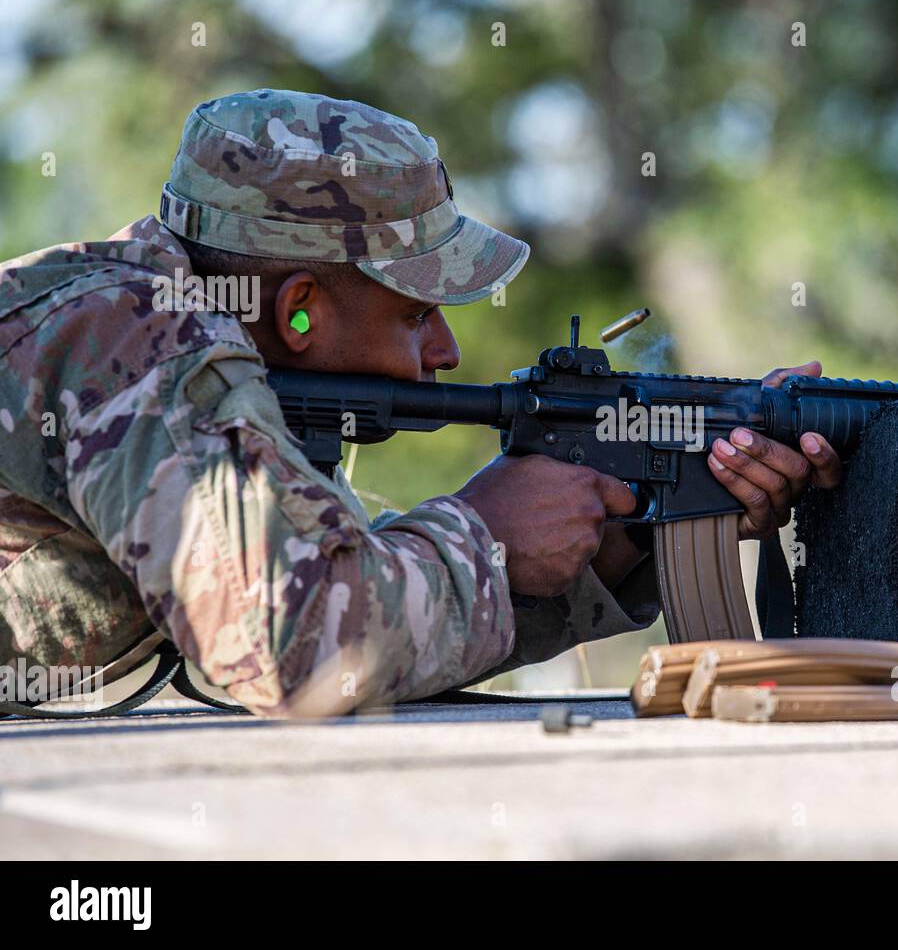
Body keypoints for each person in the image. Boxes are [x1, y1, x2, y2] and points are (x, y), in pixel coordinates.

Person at [0, 89, 841, 717]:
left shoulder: (163, 343)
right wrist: (487, 532)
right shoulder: (139, 338)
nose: (447, 351)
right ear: (300, 309)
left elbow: (347, 598)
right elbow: (292, 644)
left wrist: (630, 531)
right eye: (416, 312)